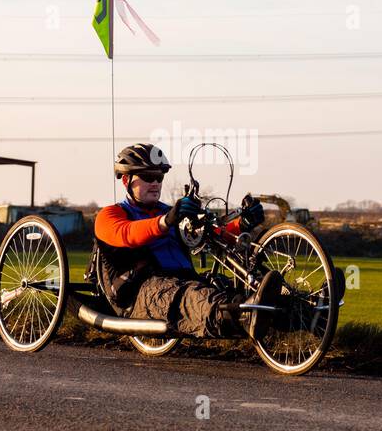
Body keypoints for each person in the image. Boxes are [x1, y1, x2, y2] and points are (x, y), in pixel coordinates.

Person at [93, 143, 277, 338]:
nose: (155, 183)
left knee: (225, 287)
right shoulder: (110, 215)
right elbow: (127, 233)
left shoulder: (168, 211)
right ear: (126, 181)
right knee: (191, 297)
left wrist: (242, 224)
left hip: (183, 279)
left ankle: (296, 314)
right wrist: (165, 221)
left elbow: (211, 234)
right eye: (147, 177)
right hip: (140, 291)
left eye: (159, 177)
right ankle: (243, 315)